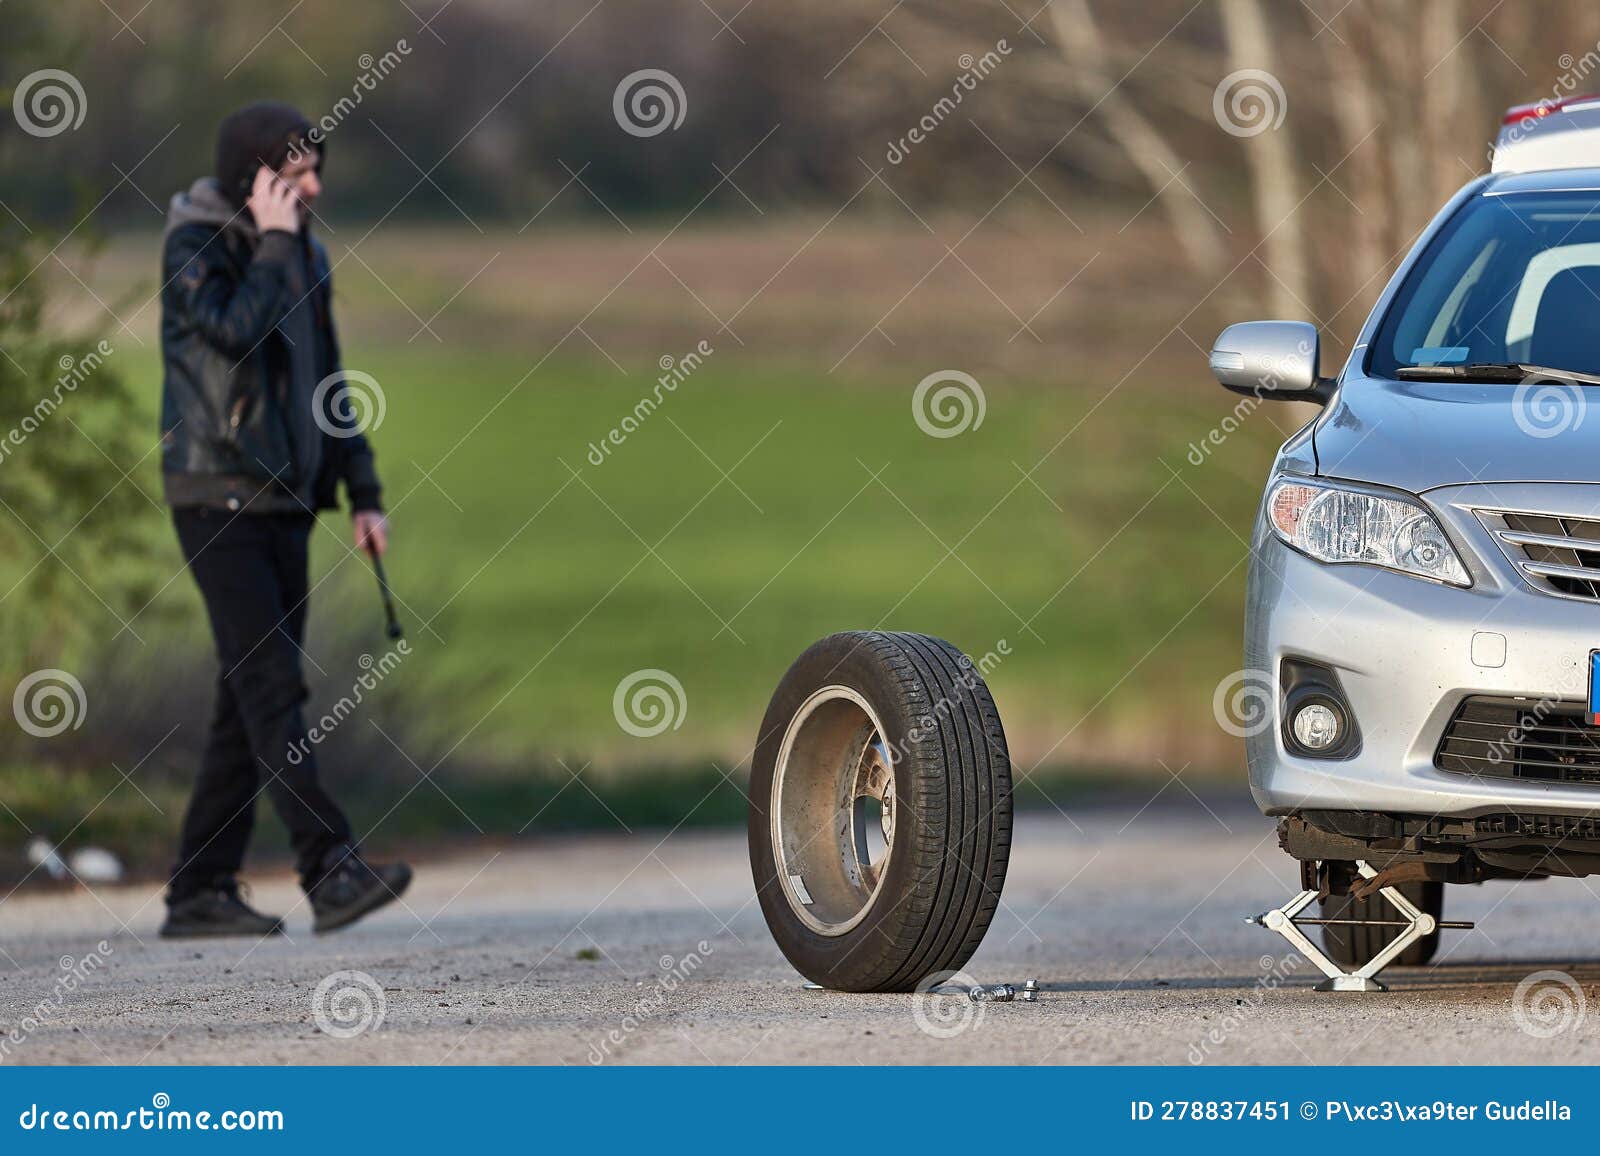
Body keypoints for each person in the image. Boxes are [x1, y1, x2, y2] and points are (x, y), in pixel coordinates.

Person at [157, 101, 411, 938]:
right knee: (271, 690)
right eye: (294, 172)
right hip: (215, 496)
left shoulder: (301, 251)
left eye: (315, 169)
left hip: (288, 503)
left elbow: (327, 382)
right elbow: (233, 331)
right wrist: (270, 242)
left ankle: (199, 890)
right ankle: (328, 867)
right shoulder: (196, 244)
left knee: (246, 696)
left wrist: (362, 491)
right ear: (251, 178)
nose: (313, 188)